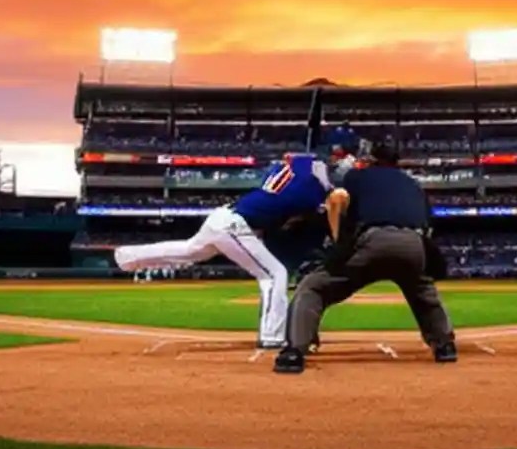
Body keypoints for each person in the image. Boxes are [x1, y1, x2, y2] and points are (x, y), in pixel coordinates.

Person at [114, 152, 343, 349]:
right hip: (235, 225)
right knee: (275, 275)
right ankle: (271, 337)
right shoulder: (310, 192)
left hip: (222, 217)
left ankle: (128, 256)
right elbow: (329, 201)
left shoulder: (290, 170)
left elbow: (299, 162)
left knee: (188, 251)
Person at [275, 140, 455, 374]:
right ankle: (445, 345)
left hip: (372, 241)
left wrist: (338, 246)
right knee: (423, 291)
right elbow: (429, 224)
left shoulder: (356, 177)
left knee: (313, 288)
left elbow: (339, 203)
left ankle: (294, 351)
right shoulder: (414, 185)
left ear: (371, 159)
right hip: (414, 243)